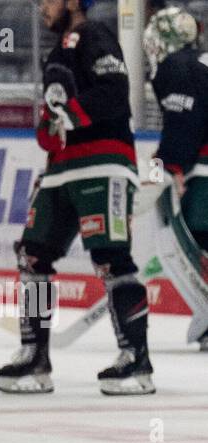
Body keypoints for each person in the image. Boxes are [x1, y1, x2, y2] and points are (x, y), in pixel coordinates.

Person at [0, 0, 153, 395]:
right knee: (32, 255)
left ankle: (136, 361)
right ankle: (35, 356)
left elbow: (115, 92)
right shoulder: (57, 50)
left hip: (104, 165)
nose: (40, 8)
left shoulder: (95, 35)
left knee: (110, 257)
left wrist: (68, 116)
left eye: (47, 0)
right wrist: (49, 127)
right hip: (62, 170)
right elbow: (56, 111)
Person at [145, 5, 208, 349]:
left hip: (206, 175)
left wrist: (158, 171)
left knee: (193, 237)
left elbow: (180, 134)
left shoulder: (177, 67)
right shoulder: (199, 62)